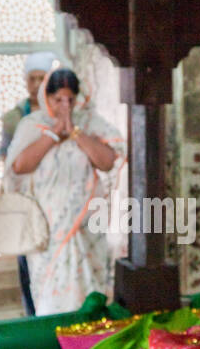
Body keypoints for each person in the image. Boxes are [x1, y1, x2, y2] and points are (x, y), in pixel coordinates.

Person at [7, 67, 124, 314]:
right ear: (46, 98)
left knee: (88, 289)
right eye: (58, 99)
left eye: (71, 99)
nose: (65, 105)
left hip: (86, 224)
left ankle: (89, 338)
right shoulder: (33, 125)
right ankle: (55, 339)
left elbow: (107, 161)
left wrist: (75, 133)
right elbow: (19, 166)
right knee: (51, 293)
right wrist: (52, 135)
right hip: (48, 226)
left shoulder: (90, 124)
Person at [1, 51, 57, 315]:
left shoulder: (59, 114)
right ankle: (31, 313)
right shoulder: (14, 118)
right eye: (32, 79)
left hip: (53, 200)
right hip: (24, 200)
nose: (36, 84)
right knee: (26, 259)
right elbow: (7, 159)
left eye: (42, 78)